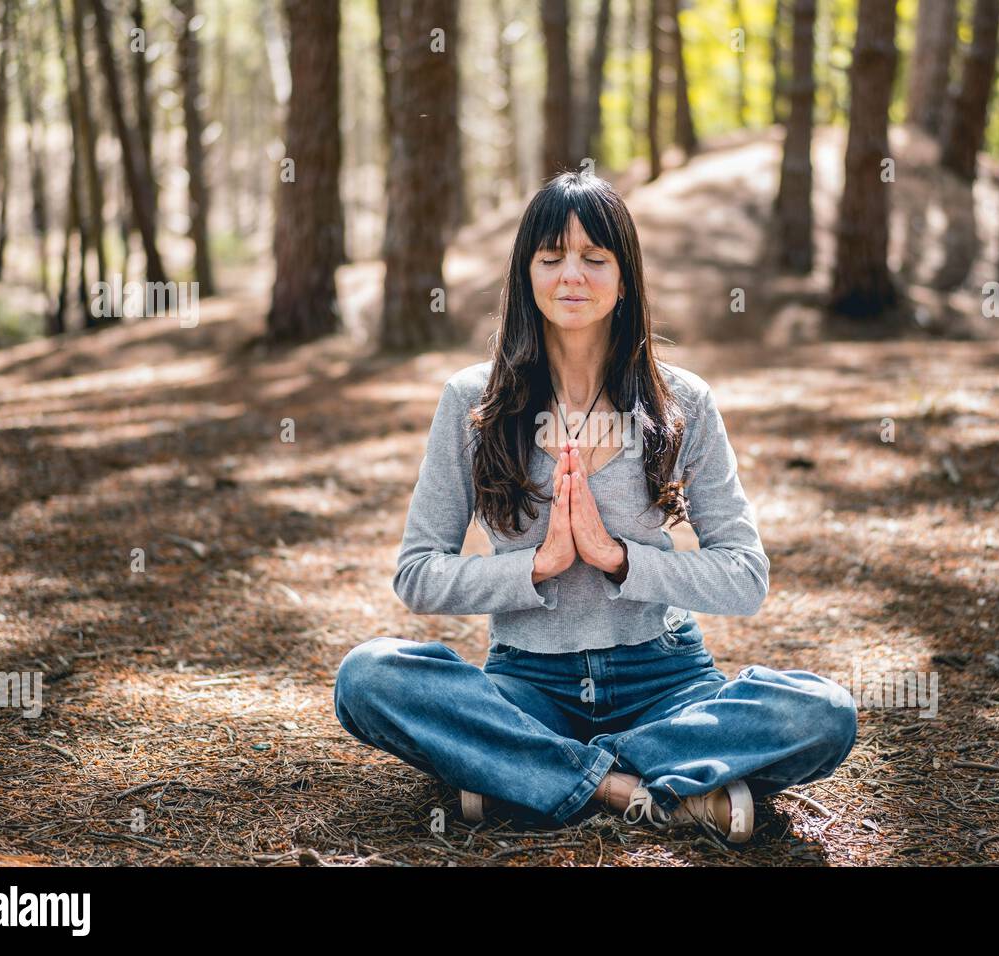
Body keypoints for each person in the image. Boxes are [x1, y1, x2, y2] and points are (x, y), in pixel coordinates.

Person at [333, 170, 857, 845]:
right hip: (527, 685)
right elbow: (417, 572)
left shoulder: (681, 403)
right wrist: (534, 568)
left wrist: (619, 561)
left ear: (624, 276)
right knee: (368, 676)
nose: (570, 275)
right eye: (550, 257)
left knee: (824, 712)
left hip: (664, 682)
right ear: (526, 273)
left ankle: (519, 778)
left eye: (593, 258)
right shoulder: (472, 402)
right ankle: (635, 790)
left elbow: (745, 576)